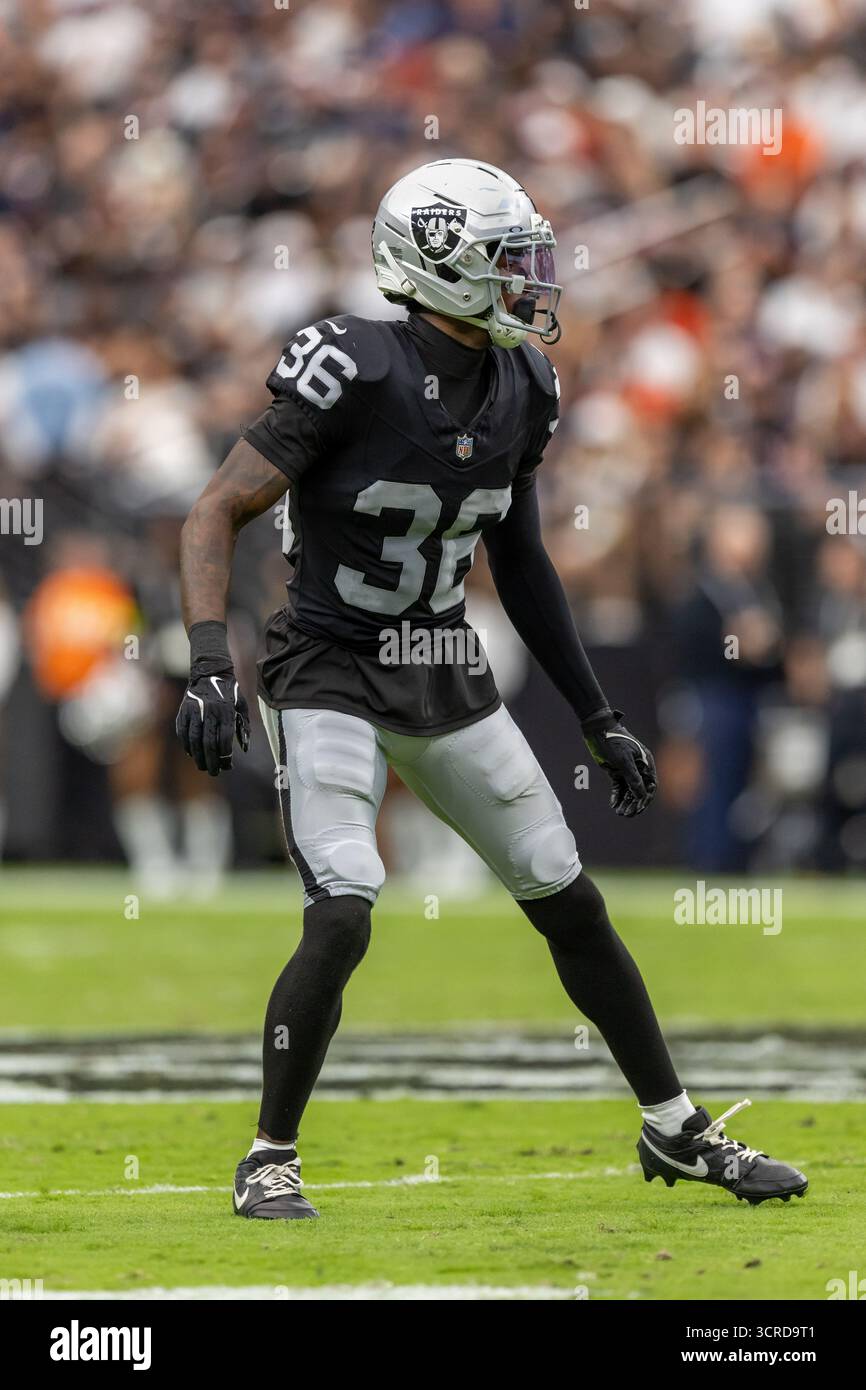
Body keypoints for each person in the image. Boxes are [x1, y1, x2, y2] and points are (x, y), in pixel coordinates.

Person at [176, 159, 806, 1218]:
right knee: (341, 914)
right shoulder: (354, 363)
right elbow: (212, 512)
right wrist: (204, 659)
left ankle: (672, 1126)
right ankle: (269, 1154)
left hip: (440, 663)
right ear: (438, 262)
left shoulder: (525, 381)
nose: (532, 278)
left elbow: (519, 561)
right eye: (510, 258)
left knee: (568, 898)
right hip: (326, 662)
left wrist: (598, 713)